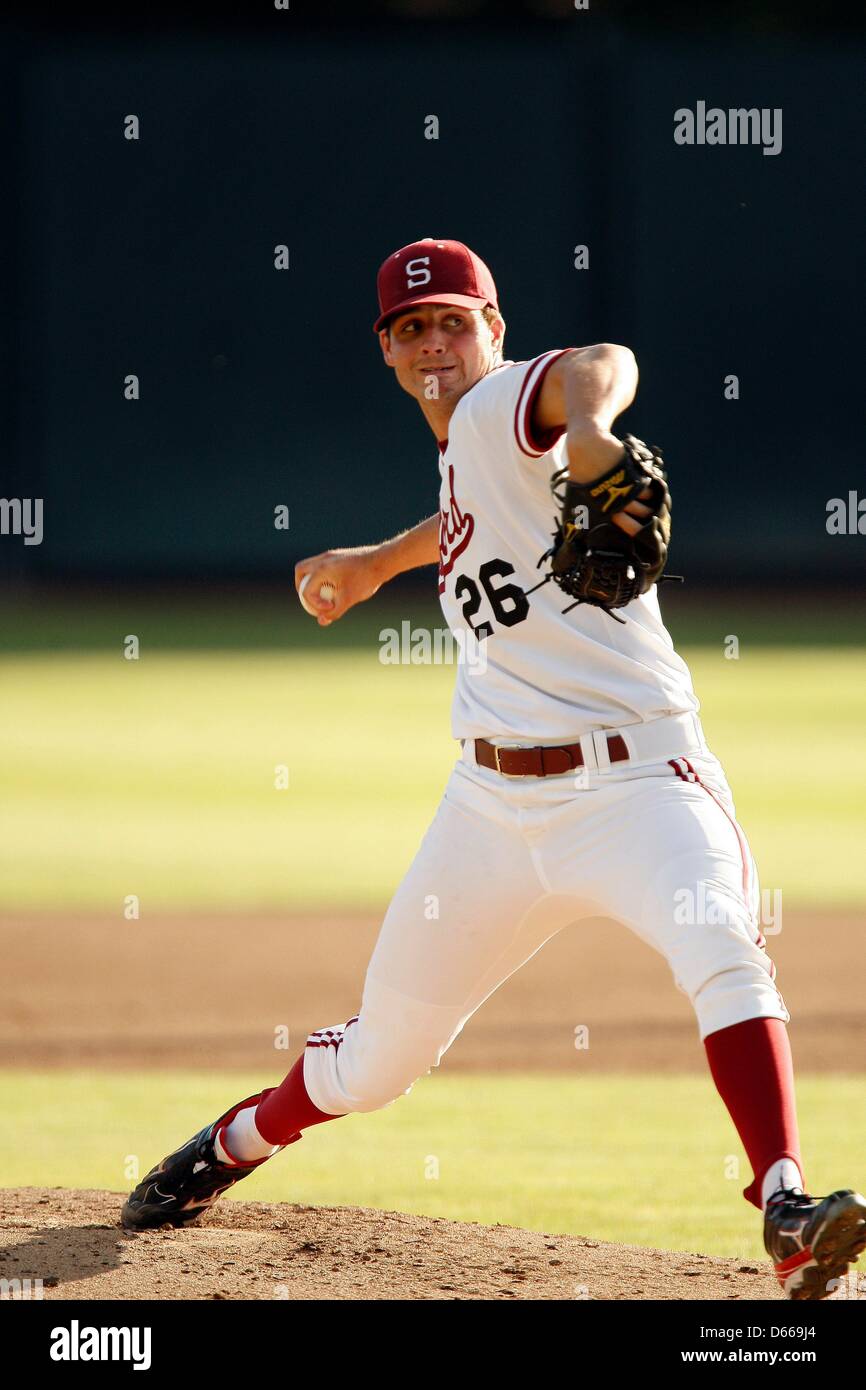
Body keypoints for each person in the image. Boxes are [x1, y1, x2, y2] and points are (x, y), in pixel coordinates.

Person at [122, 238, 865, 1301]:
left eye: (453, 321)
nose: (434, 343)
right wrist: (377, 562)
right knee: (375, 1062)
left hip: (638, 789)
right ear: (384, 352)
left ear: (494, 332)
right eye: (410, 329)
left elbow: (595, 361)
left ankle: (786, 1203)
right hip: (489, 809)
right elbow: (469, 524)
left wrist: (595, 425)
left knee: (722, 950)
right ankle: (236, 1139)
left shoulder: (504, 405)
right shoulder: (471, 451)